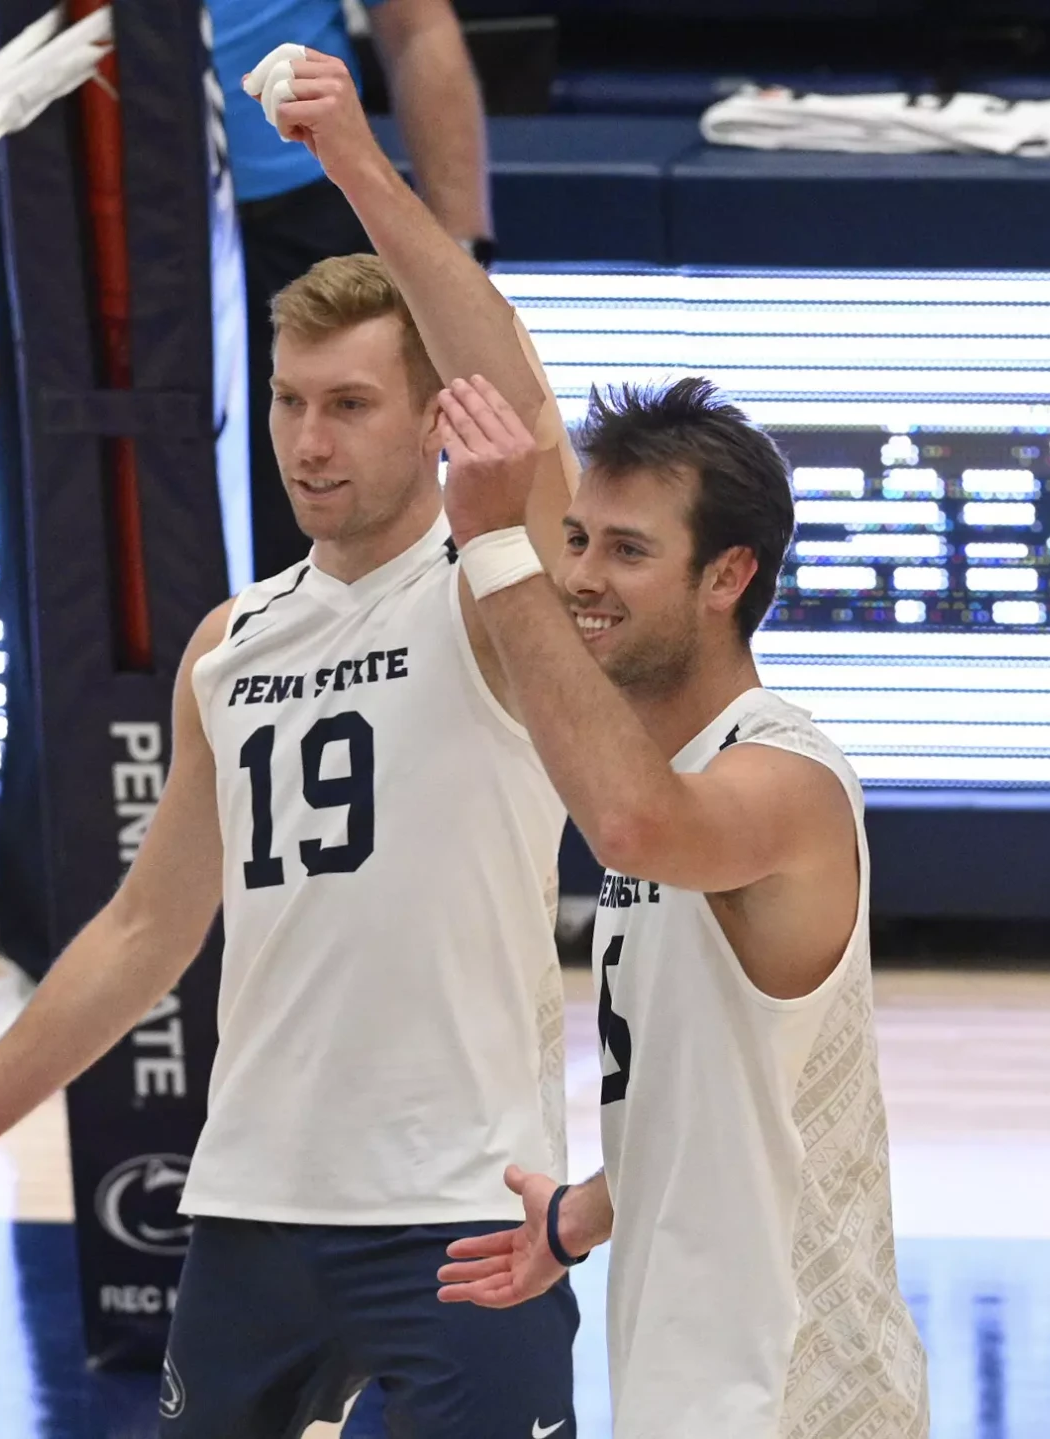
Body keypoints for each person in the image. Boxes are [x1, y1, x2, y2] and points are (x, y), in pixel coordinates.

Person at [0, 49, 581, 1439]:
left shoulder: (494, 586)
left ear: (429, 416)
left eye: (347, 404)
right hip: (251, 1208)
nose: (307, 437)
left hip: (465, 1210)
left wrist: (356, 158)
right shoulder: (231, 643)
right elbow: (138, 935)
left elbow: (521, 393)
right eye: (290, 400)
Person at [0, 0, 492, 1057]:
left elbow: (420, 32)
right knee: (70, 606)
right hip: (71, 229)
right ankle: (69, 965)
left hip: (291, 217)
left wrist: (459, 265)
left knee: (335, 599)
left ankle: (343, 948)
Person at [430, 376, 931, 1436]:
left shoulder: (784, 777)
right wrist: (586, 1211)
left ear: (729, 574)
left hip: (798, 1388)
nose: (581, 576)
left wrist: (493, 549)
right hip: (687, 1376)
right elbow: (717, 1087)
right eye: (573, 540)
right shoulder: (675, 780)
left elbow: (633, 824)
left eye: (626, 549)